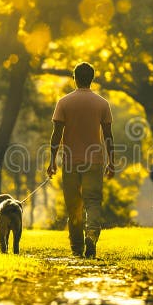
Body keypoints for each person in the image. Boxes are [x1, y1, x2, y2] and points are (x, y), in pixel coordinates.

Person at [47, 62, 114, 258]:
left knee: (74, 205)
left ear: (74, 78)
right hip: (95, 161)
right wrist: (111, 161)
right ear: (92, 79)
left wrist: (52, 161)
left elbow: (56, 134)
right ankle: (91, 235)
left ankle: (76, 248)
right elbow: (108, 136)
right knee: (93, 201)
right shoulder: (102, 103)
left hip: (70, 162)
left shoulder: (64, 102)